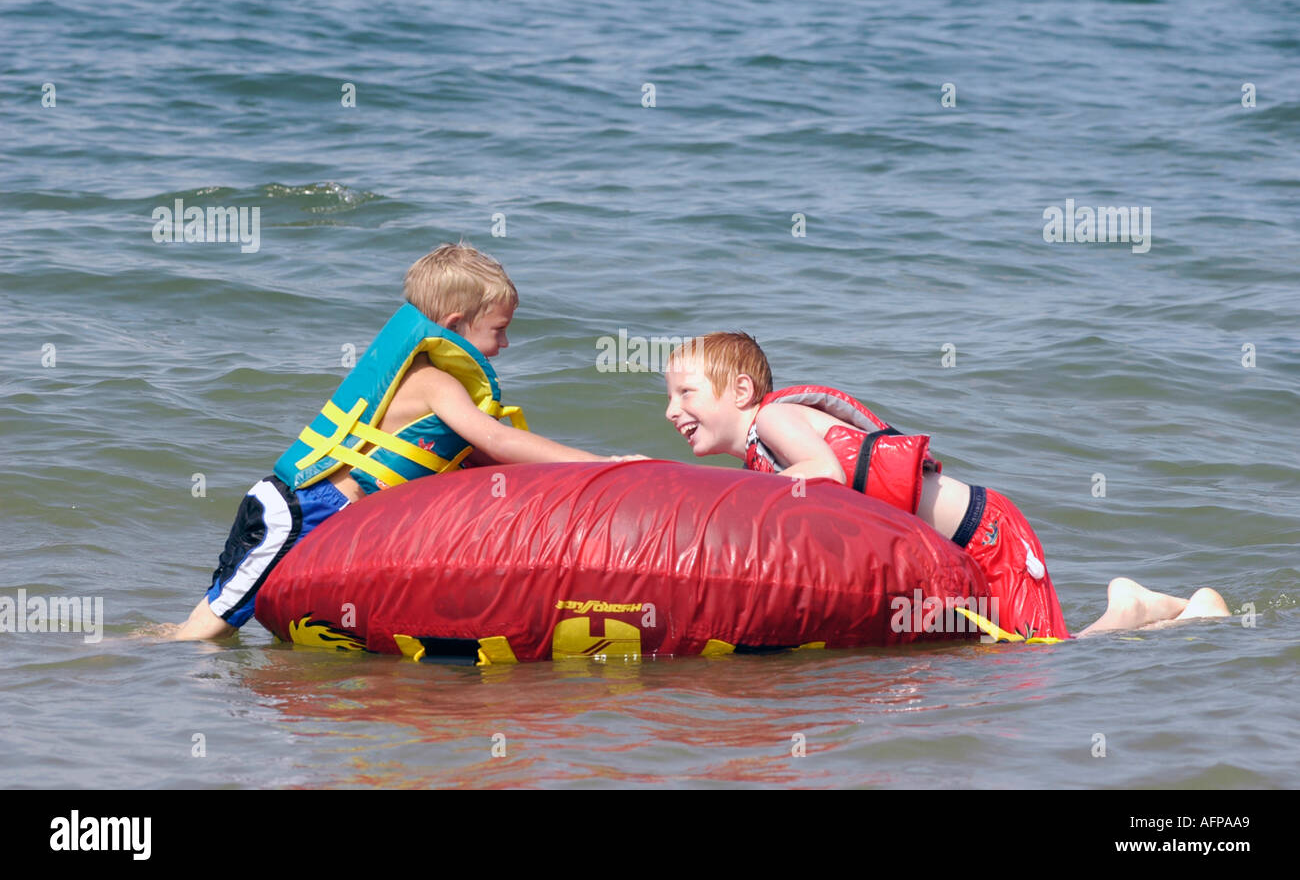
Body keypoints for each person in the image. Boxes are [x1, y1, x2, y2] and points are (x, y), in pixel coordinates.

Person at [167, 242, 636, 641]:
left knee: (224, 613)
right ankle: (141, 664)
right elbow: (493, 437)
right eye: (499, 330)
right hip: (299, 509)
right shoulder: (435, 382)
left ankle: (154, 652)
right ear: (454, 327)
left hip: (318, 511)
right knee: (214, 625)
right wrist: (600, 464)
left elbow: (494, 461)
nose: (506, 345)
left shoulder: (436, 387)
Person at [663, 331, 1228, 639]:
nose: (671, 410)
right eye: (668, 397)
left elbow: (827, 475)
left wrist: (730, 502)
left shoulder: (773, 419)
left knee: (1045, 659)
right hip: (965, 548)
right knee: (1003, 654)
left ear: (739, 390)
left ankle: (1133, 608)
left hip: (989, 537)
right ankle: (1181, 615)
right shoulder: (762, 458)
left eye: (685, 393)